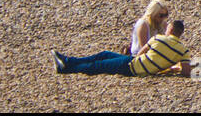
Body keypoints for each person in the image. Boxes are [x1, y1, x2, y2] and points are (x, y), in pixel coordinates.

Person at [55, 18, 193, 77]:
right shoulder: (183, 50)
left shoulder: (158, 38)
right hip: (137, 66)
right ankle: (68, 61)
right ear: (180, 33)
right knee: (105, 54)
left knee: (98, 65)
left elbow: (140, 53)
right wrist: (168, 67)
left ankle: (66, 68)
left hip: (132, 66)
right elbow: (186, 72)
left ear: (170, 29)